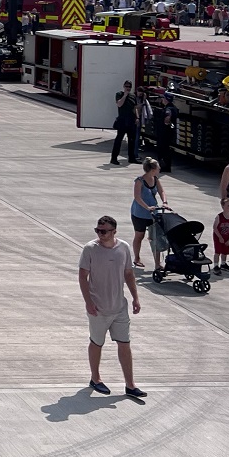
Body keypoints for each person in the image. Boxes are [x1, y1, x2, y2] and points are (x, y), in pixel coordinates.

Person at [79, 216, 145, 399]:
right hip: (98, 309)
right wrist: (88, 302)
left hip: (119, 307)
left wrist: (135, 298)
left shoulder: (123, 247)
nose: (100, 234)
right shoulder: (90, 249)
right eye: (98, 231)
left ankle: (130, 385)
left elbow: (129, 273)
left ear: (114, 231)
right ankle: (96, 378)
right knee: (96, 343)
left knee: (125, 344)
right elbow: (82, 276)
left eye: (104, 231)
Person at [130, 157, 165, 268]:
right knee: (139, 236)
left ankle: (157, 264)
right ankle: (137, 258)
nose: (160, 169)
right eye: (158, 167)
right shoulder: (139, 181)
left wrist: (165, 202)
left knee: (156, 237)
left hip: (153, 214)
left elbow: (161, 191)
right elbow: (137, 197)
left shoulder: (156, 179)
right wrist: (147, 207)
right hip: (139, 213)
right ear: (153, 169)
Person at [109, 81, 139, 166]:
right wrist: (125, 95)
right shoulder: (119, 94)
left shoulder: (133, 96)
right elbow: (119, 104)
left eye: (129, 86)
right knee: (119, 140)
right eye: (126, 86)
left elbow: (135, 108)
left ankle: (132, 158)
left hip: (131, 121)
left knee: (132, 140)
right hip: (122, 121)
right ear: (123, 86)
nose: (128, 88)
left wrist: (137, 117)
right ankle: (114, 158)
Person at [154, 91, 177, 173]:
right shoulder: (174, 108)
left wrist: (166, 121)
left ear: (166, 99)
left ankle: (163, 167)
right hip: (169, 134)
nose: (162, 99)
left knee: (162, 151)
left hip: (164, 134)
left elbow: (167, 117)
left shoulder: (168, 109)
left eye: (163, 98)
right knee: (167, 151)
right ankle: (167, 167)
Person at [213, 196, 229, 272]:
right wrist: (219, 237)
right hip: (218, 236)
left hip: (227, 236)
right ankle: (216, 265)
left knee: (225, 251)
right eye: (228, 205)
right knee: (217, 252)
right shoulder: (219, 216)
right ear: (223, 207)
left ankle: (223, 264)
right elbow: (215, 228)